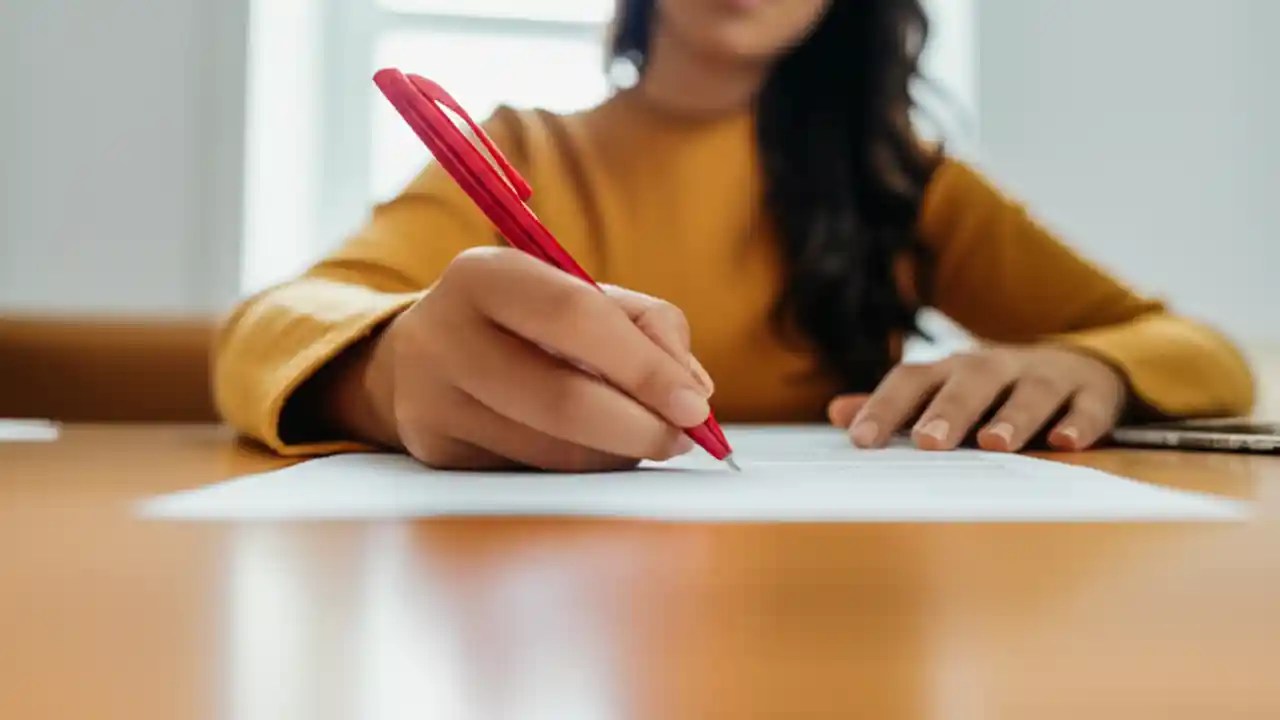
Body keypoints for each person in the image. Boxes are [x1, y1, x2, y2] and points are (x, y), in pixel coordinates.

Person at [215, 0, 1253, 471]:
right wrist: (385, 371)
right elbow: (274, 324)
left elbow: (1200, 352)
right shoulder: (520, 149)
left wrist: (1087, 368)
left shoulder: (907, 183)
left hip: (840, 608)